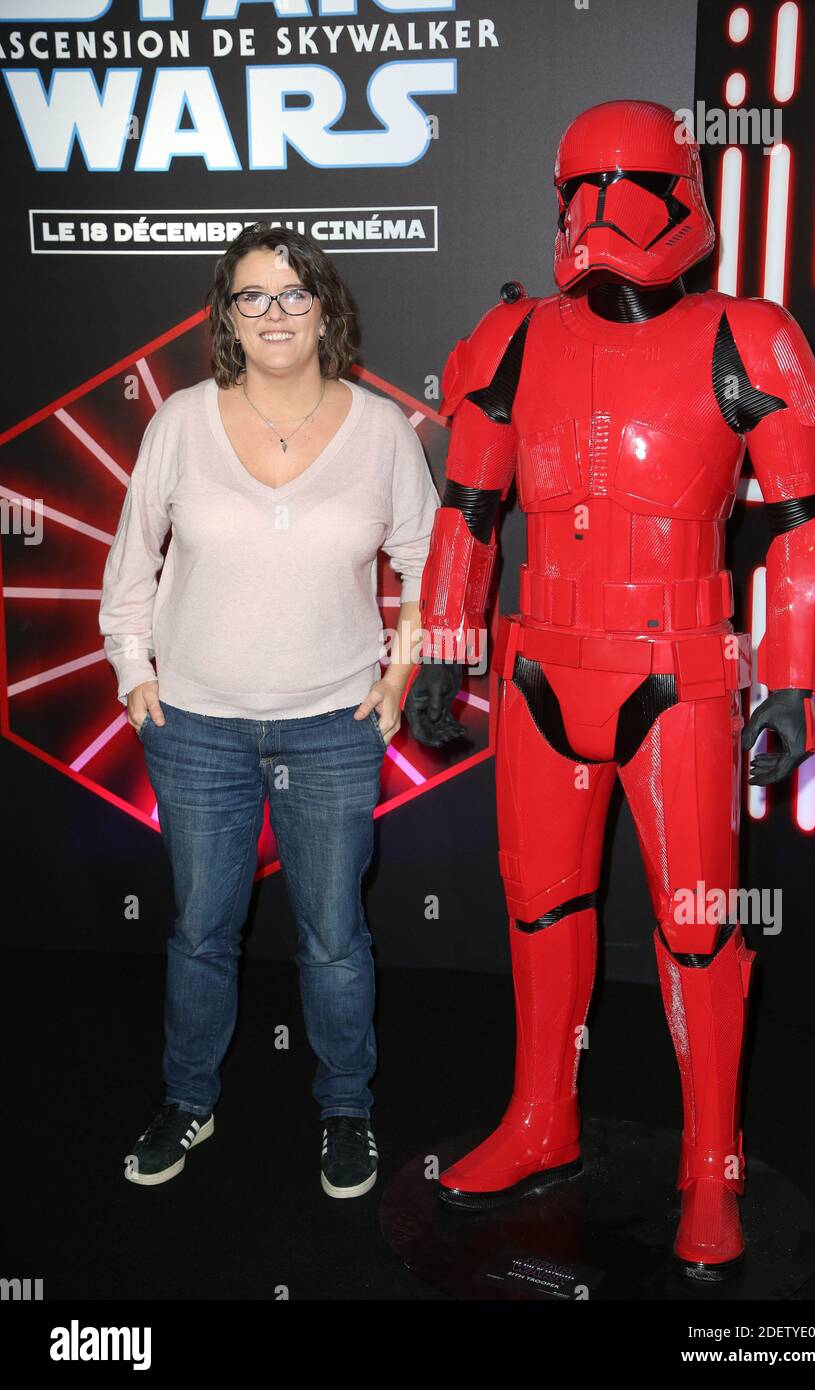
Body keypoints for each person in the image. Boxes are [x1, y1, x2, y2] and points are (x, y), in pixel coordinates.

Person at [406, 100, 815, 1279]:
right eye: (578, 190)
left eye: (624, 186)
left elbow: (804, 527)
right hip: (540, 666)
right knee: (539, 907)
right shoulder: (510, 339)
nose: (598, 216)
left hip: (679, 674)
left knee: (698, 933)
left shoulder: (745, 336)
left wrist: (793, 684)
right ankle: (540, 1117)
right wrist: (444, 646)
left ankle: (711, 1169)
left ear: (679, 191)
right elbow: (468, 510)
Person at [99, 223, 439, 1198]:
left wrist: (396, 681)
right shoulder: (179, 422)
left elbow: (425, 569)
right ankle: (187, 1098)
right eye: (253, 296)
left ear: (326, 309)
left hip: (333, 724)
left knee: (332, 933)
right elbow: (132, 566)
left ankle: (344, 1108)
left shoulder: (379, 431)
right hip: (195, 727)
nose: (275, 312)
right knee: (201, 927)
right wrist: (134, 671)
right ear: (227, 317)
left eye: (294, 294)